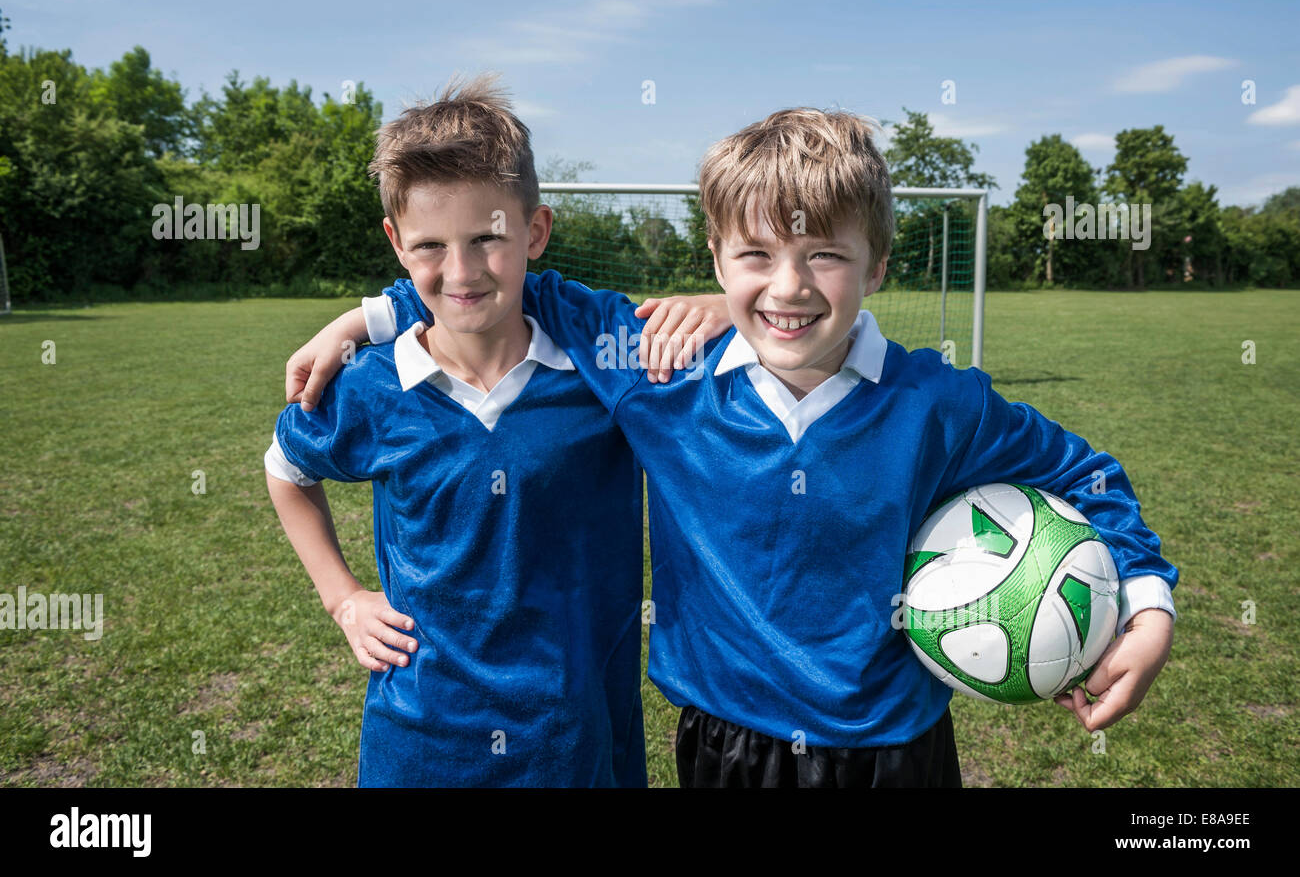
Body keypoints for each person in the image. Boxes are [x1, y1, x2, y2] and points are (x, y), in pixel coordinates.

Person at [302, 105, 1177, 788]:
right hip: (722, 745)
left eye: (825, 256)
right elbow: (480, 275)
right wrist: (370, 316)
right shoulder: (654, 366)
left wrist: (1146, 604)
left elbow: (1087, 473)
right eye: (755, 254)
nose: (790, 285)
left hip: (895, 746)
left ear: (877, 269)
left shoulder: (937, 404)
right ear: (715, 257)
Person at [265, 74, 727, 786]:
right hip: (419, 740)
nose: (462, 271)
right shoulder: (368, 386)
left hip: (574, 742)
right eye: (430, 247)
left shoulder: (602, 365)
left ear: (535, 230)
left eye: (489, 237)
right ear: (395, 243)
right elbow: (287, 469)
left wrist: (729, 303)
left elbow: (761, 337)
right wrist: (343, 597)